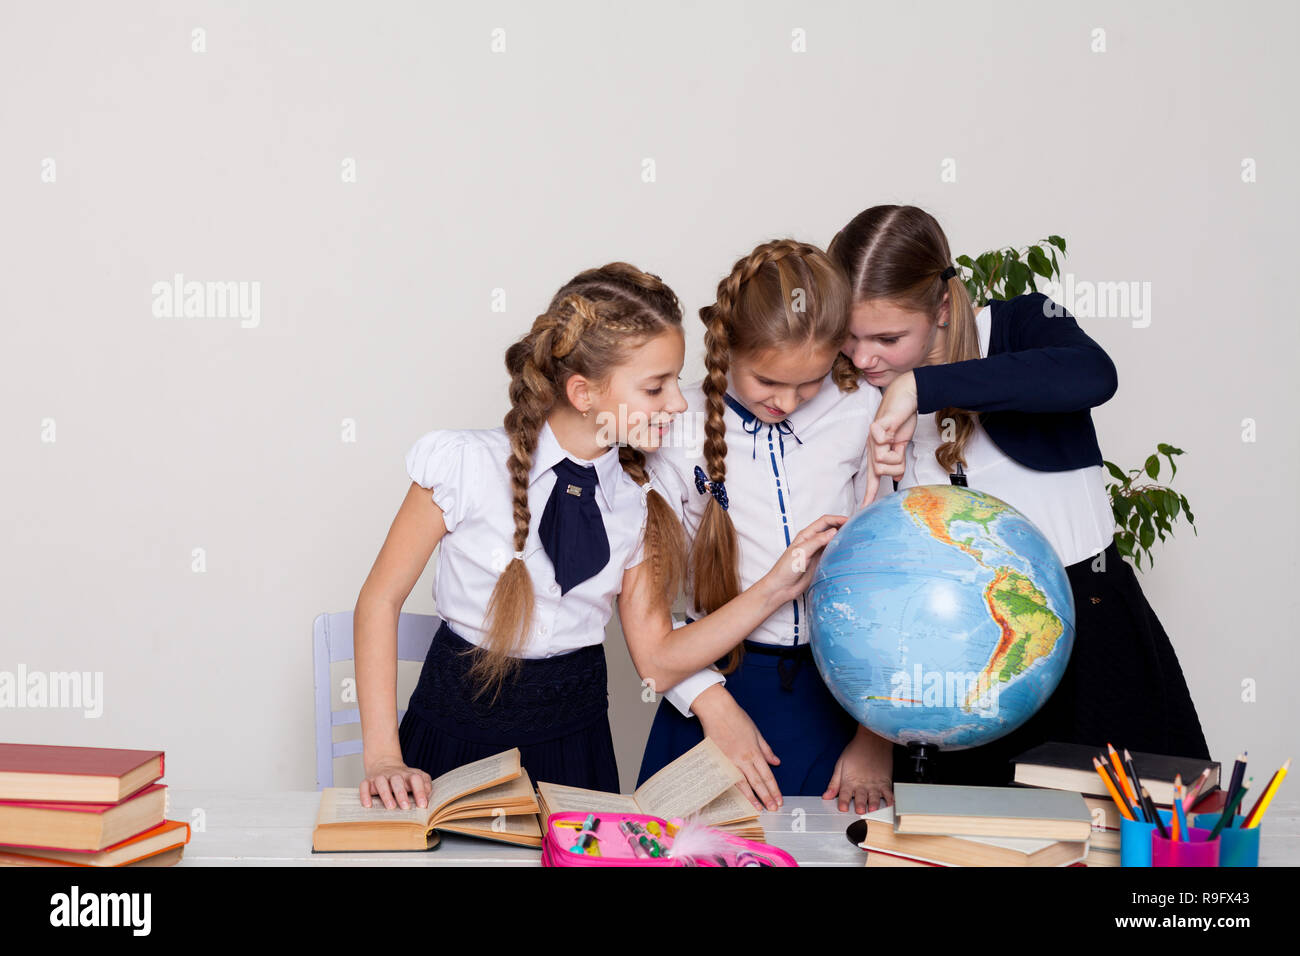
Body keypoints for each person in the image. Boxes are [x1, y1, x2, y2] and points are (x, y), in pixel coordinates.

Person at [354, 262, 841, 810]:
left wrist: (776, 587)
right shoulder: (462, 464)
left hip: (576, 754)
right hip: (449, 742)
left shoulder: (642, 503)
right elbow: (379, 599)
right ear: (583, 392)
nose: (679, 404)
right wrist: (382, 757)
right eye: (656, 387)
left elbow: (657, 660)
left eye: (674, 384)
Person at [830, 204, 1211, 787]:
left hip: (1093, 637)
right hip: (953, 674)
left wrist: (921, 386)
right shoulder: (855, 388)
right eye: (849, 338)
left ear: (942, 306)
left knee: (1129, 838)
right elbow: (872, 597)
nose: (863, 358)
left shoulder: (1024, 322)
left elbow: (1094, 375)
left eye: (887, 338)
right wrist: (871, 739)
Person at [637, 238, 896, 815]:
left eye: (809, 383)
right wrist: (709, 702)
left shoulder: (862, 411)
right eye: (767, 381)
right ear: (727, 345)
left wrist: (876, 736)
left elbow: (892, 578)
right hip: (718, 693)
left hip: (839, 699)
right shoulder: (674, 431)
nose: (787, 400)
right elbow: (649, 620)